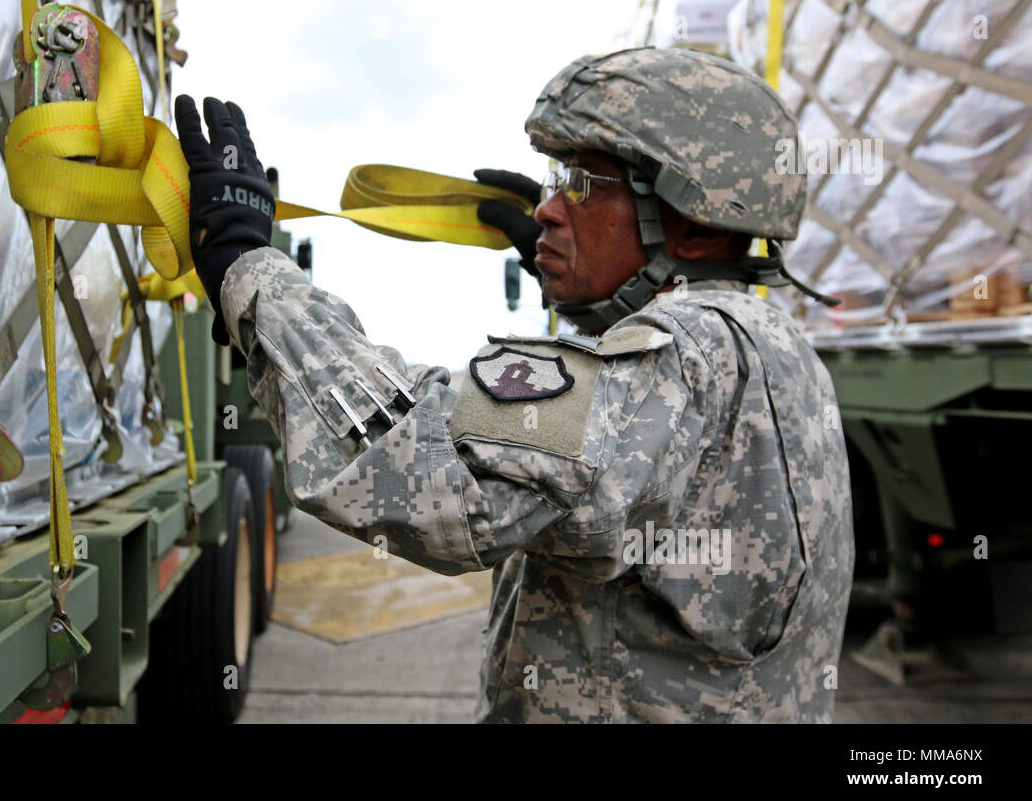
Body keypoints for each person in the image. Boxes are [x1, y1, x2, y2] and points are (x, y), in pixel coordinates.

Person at [176, 46, 854, 723]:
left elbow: (434, 471)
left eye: (585, 186)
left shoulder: (687, 356)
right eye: (559, 180)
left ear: (694, 225)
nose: (553, 208)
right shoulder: (772, 346)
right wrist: (597, 284)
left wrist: (249, 270)